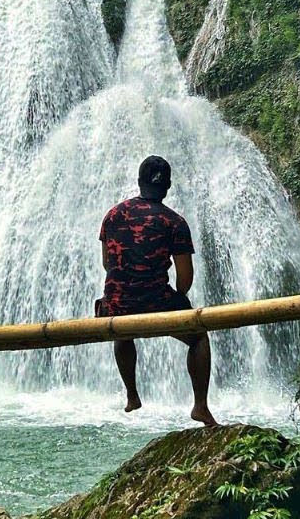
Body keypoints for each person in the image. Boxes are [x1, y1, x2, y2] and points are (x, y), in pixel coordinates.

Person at [96, 155, 217, 427]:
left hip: (115, 306)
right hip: (156, 303)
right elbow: (184, 278)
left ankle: (132, 394)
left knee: (121, 322)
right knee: (198, 338)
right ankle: (200, 406)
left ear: (139, 182)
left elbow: (107, 263)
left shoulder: (112, 215)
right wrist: (177, 297)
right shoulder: (174, 221)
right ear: (168, 187)